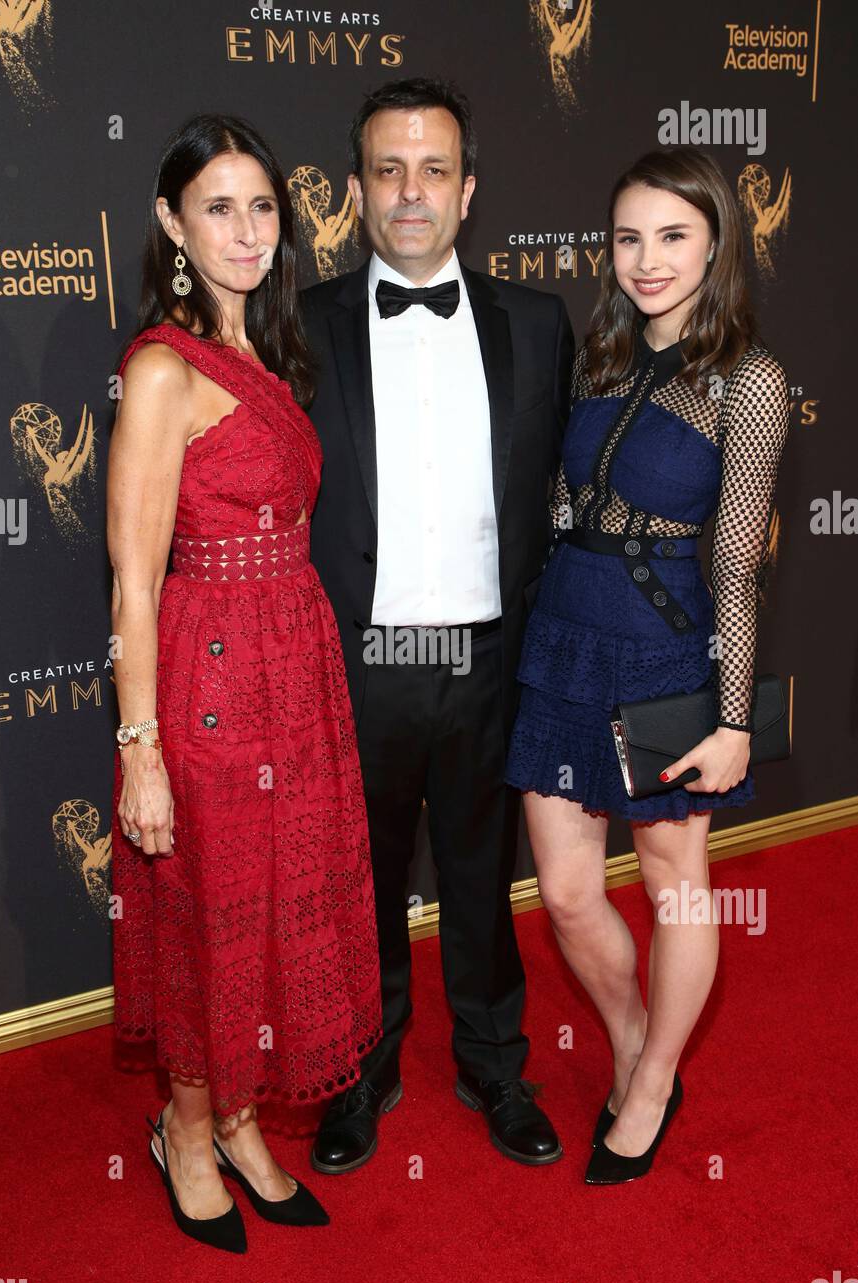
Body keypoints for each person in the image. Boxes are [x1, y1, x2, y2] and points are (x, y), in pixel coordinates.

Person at [107, 113, 382, 1251]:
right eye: (217, 207)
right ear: (172, 221)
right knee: (205, 913)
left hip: (293, 666)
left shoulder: (270, 350)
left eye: (262, 205)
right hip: (207, 676)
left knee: (273, 905)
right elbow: (131, 582)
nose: (247, 229)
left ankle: (240, 1116)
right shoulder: (164, 366)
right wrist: (142, 754)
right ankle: (184, 1123)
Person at [300, 77, 575, 1173]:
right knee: (353, 882)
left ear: (467, 190)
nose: (409, 193)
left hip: (483, 652)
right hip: (356, 659)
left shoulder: (538, 323)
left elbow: (558, 486)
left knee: (479, 870)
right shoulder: (301, 323)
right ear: (356, 189)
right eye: (386, 169)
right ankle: (359, 1072)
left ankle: (494, 1064)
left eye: (432, 170)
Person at [504, 148, 790, 1183]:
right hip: (564, 641)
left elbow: (735, 562)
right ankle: (632, 1041)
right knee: (568, 893)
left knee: (675, 886)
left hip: (668, 649)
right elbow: (558, 504)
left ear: (714, 241)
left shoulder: (746, 382)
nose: (647, 259)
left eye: (671, 235)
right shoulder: (600, 357)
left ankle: (655, 1078)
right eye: (628, 237)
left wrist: (731, 718)